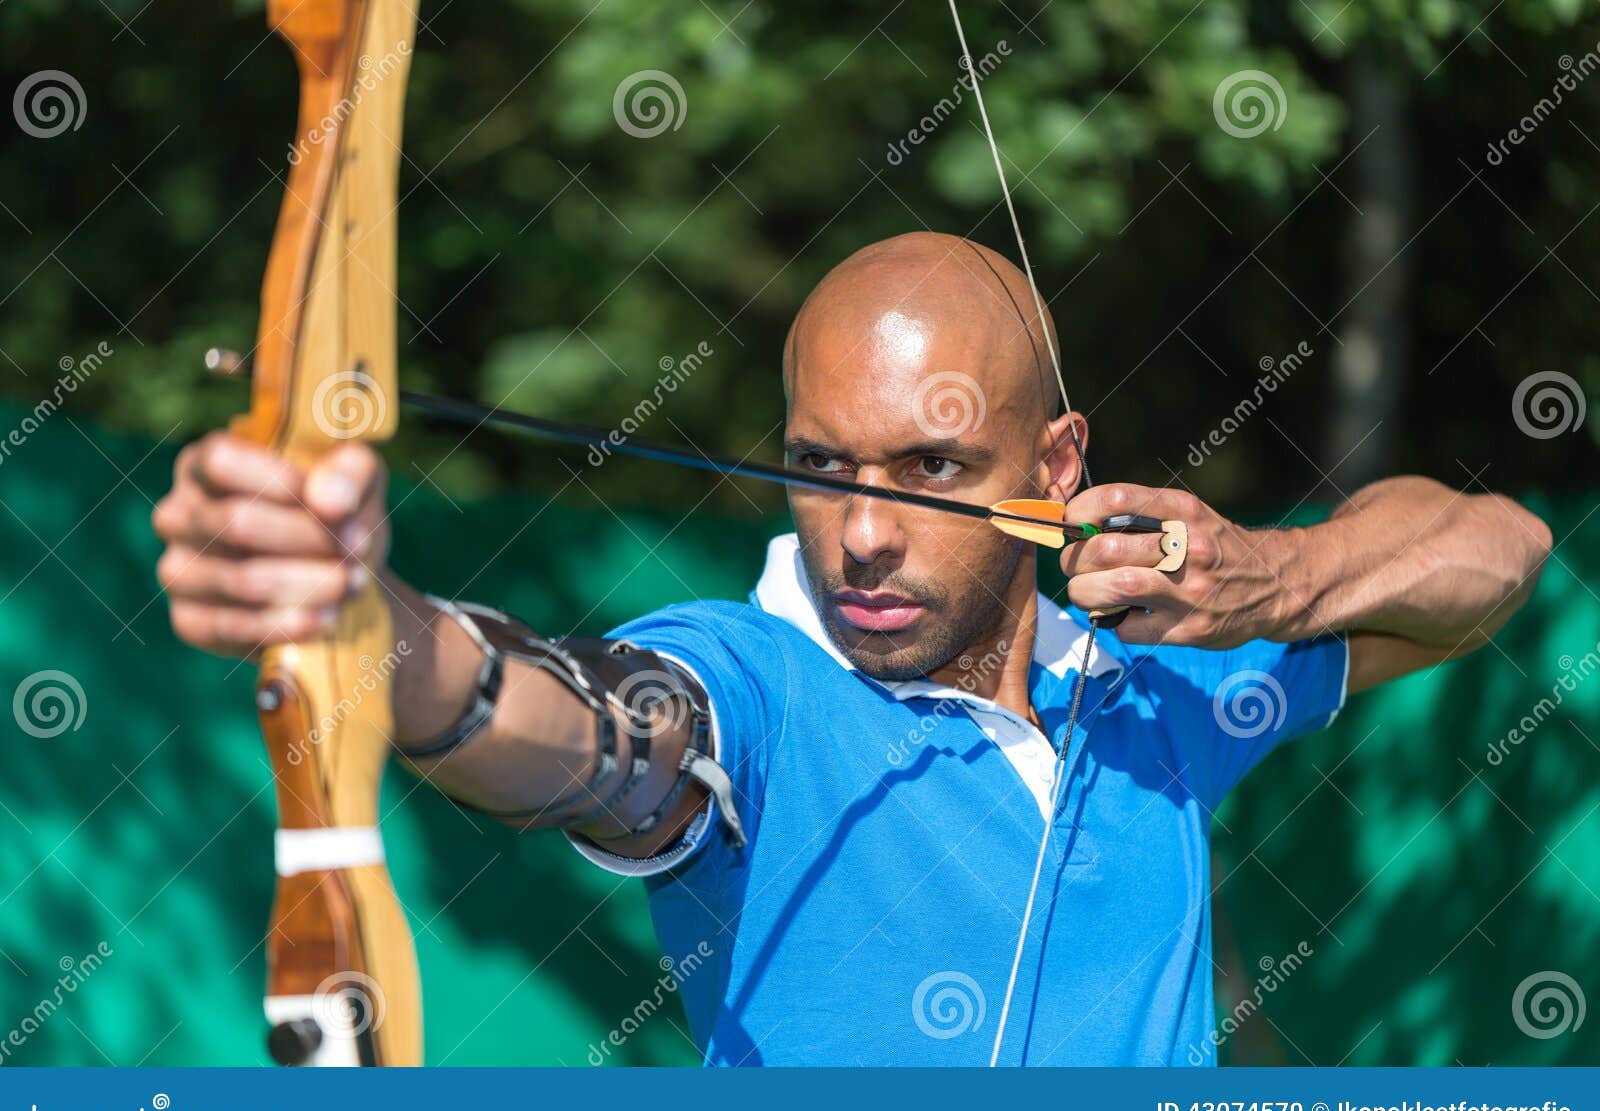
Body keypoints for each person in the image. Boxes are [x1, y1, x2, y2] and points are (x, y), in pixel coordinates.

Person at [153, 231, 1551, 1065]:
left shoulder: (1154, 680)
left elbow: (1496, 552)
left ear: (1055, 464)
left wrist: (1281, 575)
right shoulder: (756, 686)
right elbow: (578, 726)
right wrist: (367, 625)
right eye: (822, 466)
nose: (863, 534)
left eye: (932, 467)